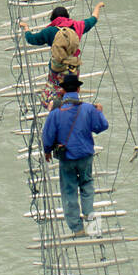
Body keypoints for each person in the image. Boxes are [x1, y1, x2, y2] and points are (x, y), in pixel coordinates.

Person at [41, 74, 108, 237]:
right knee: (87, 183)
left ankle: (77, 228)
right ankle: (89, 214)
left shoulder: (56, 113)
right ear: (78, 89)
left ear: (62, 91)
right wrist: (99, 112)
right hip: (85, 155)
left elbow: (48, 135)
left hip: (67, 158)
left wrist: (47, 151)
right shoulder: (88, 109)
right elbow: (101, 126)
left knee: (69, 189)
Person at [20, 2, 105, 109]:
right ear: (67, 16)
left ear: (53, 19)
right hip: (73, 67)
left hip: (57, 69)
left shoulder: (50, 31)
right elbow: (93, 19)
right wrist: (98, 6)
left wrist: (26, 28)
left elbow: (31, 39)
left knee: (47, 97)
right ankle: (85, 107)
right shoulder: (78, 26)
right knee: (71, 91)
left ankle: (55, 107)